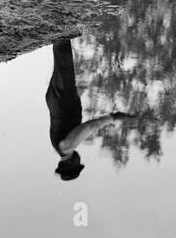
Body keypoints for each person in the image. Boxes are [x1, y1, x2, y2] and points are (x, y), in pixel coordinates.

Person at [46, 36, 136, 181]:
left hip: (63, 99)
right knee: (61, 58)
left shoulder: (67, 147)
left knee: (62, 55)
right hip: (56, 100)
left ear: (70, 165)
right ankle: (58, 28)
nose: (79, 160)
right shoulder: (60, 148)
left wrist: (113, 117)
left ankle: (59, 26)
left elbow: (90, 126)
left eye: (78, 164)